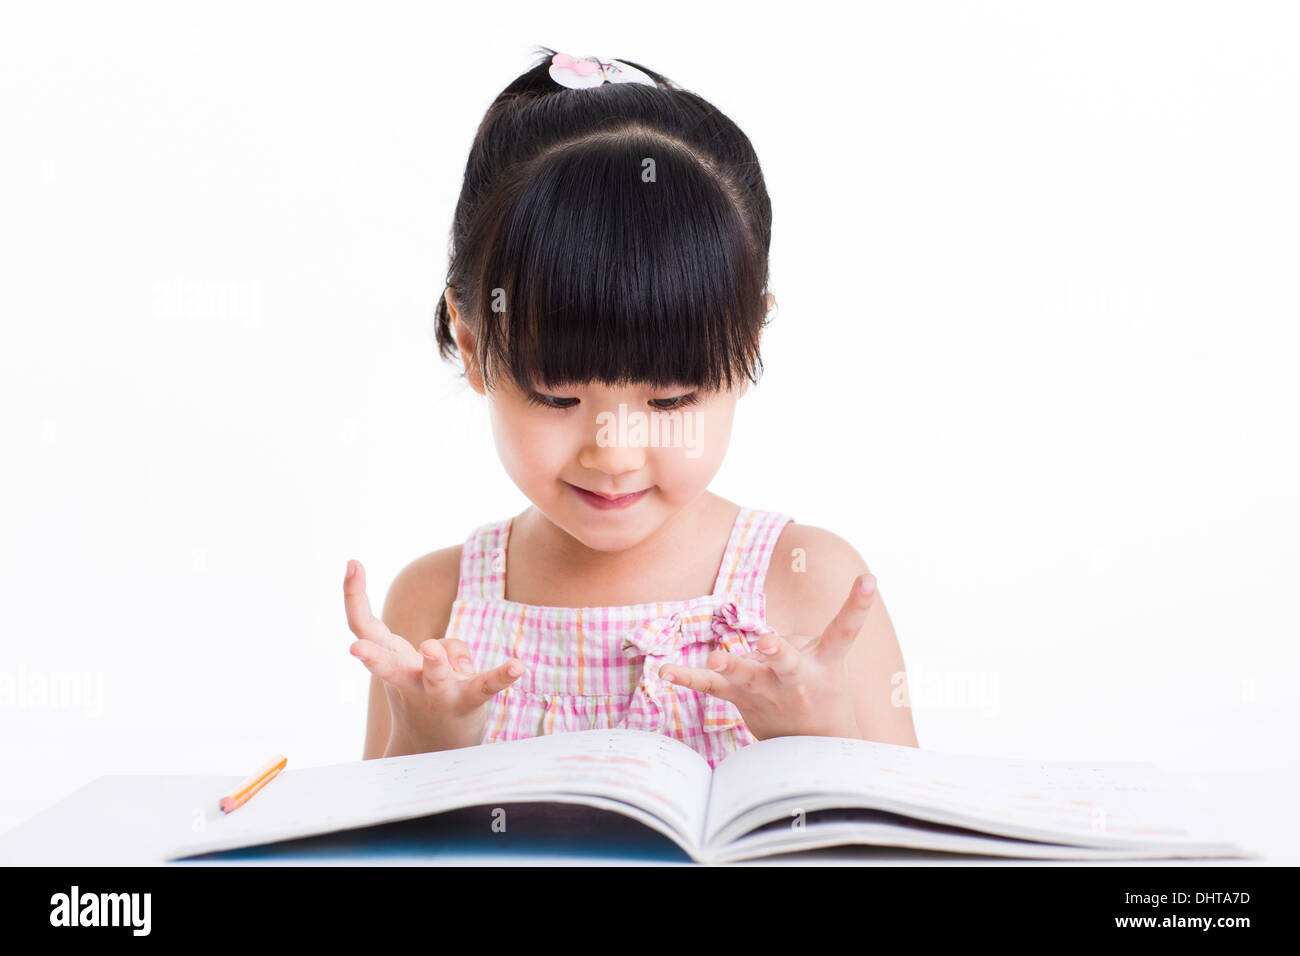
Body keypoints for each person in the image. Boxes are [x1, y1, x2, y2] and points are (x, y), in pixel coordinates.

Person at [344, 47, 918, 768]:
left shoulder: (811, 584)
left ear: (746, 347)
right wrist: (428, 742)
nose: (612, 451)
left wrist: (819, 736)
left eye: (672, 397)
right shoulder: (436, 606)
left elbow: (909, 845)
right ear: (471, 342)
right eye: (558, 395)